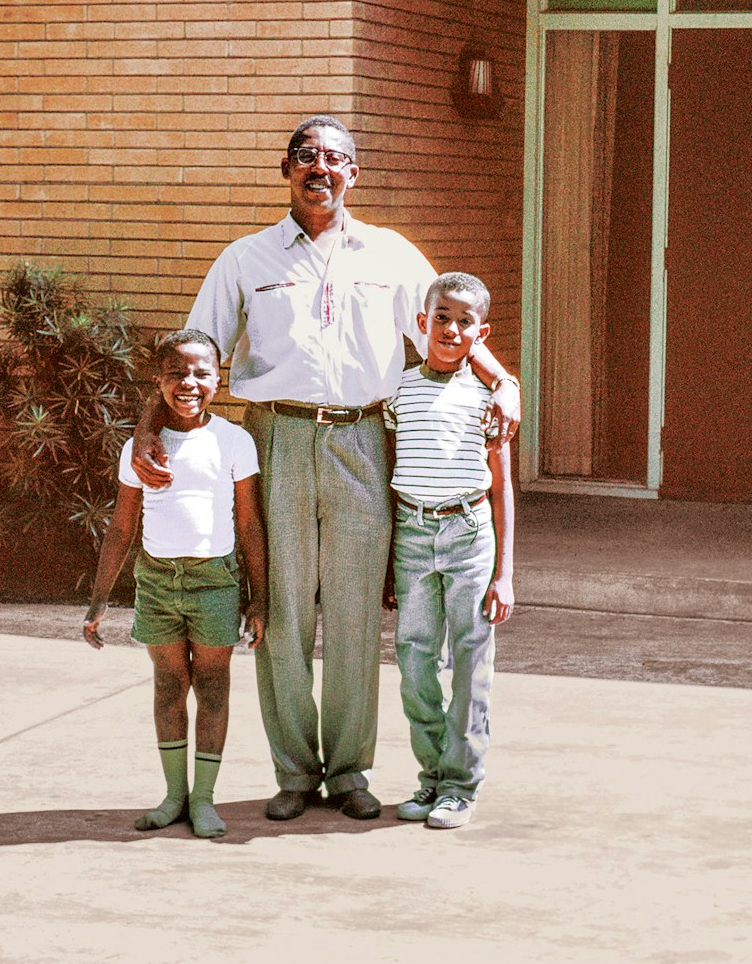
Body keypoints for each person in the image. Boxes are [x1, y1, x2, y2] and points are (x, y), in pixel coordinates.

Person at [131, 116, 521, 821]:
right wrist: (147, 429)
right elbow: (195, 354)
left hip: (363, 442)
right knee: (280, 611)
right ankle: (293, 771)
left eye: (336, 158)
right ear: (285, 169)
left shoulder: (392, 254)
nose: (321, 168)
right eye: (307, 156)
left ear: (354, 173)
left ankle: (347, 770)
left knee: (349, 613)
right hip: (274, 441)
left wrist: (506, 382)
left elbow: (450, 324)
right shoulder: (246, 259)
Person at [83, 329, 268, 839]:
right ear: (159, 380)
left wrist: (260, 600)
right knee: (168, 687)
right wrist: (99, 601)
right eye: (177, 373)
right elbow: (122, 527)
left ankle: (205, 798)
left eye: (201, 373)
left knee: (212, 686)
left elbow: (250, 524)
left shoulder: (234, 440)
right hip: (158, 581)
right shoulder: (141, 448)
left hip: (215, 582)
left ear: (219, 378)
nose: (189, 383)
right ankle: (174, 795)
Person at [384, 272, 515, 830]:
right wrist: (389, 562)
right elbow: (391, 469)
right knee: (414, 658)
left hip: (468, 535)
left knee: (470, 660)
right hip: (413, 536)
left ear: (480, 333)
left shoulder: (489, 401)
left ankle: (461, 785)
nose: (451, 329)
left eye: (465, 323)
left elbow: (502, 486)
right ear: (422, 323)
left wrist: (503, 573)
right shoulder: (399, 395)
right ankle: (431, 775)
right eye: (442, 317)